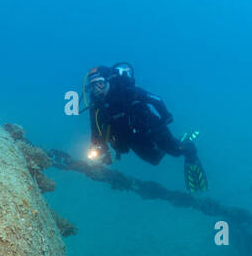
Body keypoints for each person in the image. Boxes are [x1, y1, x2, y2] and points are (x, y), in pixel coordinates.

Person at [82, 62, 207, 193]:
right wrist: (100, 147)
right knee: (155, 160)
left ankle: (190, 152)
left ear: (108, 81)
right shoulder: (97, 106)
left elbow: (155, 99)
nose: (97, 90)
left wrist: (166, 117)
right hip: (131, 139)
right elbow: (95, 129)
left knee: (175, 151)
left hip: (152, 128)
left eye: (100, 84)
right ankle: (177, 141)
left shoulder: (128, 92)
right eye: (93, 87)